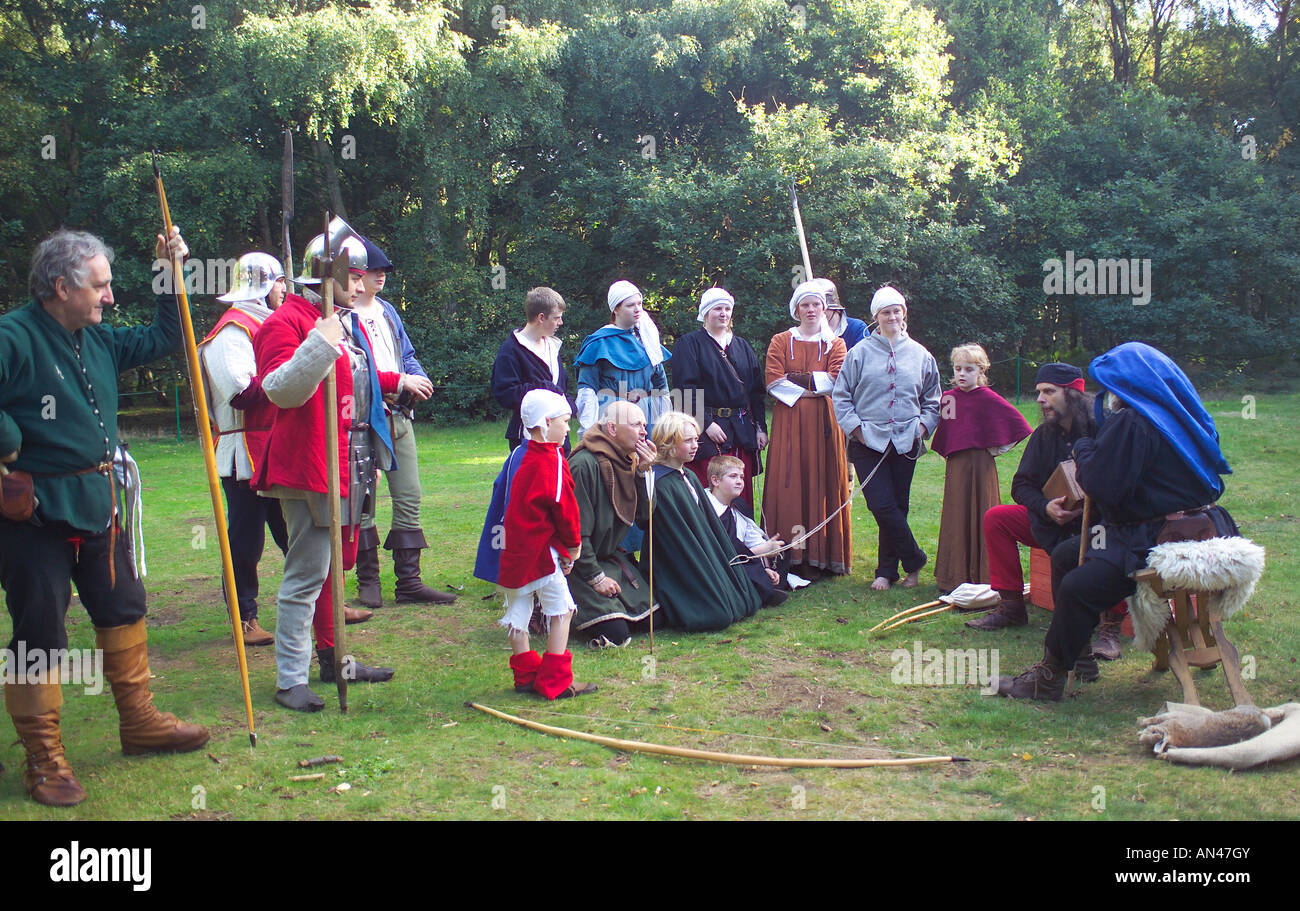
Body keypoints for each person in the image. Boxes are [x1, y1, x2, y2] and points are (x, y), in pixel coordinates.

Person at [0, 226, 209, 806]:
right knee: (40, 630)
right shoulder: (12, 336)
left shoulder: (100, 340)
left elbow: (169, 334)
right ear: (61, 286)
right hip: (32, 516)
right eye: (100, 286)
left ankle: (139, 724)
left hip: (99, 504)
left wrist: (170, 269)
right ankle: (43, 757)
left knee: (123, 608)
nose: (110, 297)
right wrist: (7, 437)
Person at [996, 342, 1233, 701]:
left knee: (1077, 587)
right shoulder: (1180, 415)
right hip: (1202, 528)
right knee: (1064, 555)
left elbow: (1103, 487)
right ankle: (1081, 656)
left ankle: (1049, 677)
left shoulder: (1134, 421)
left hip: (1150, 540)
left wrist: (1085, 449)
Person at [252, 225, 411, 711]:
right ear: (325, 274)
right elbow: (279, 389)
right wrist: (318, 344)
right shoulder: (287, 322)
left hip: (346, 463)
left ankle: (335, 657)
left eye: (363, 277)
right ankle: (289, 677)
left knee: (331, 574)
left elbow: (354, 388)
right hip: (307, 467)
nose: (362, 287)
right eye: (353, 276)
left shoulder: (338, 319)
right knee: (307, 572)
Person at [473, 390, 595, 698]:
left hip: (511, 553)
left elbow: (500, 495)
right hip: (540, 554)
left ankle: (525, 675)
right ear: (544, 423)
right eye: (564, 421)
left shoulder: (516, 455)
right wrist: (572, 547)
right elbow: (565, 510)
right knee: (562, 611)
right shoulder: (552, 461)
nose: (568, 428)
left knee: (518, 611)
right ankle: (554, 681)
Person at [348, 235, 448, 608]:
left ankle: (409, 583)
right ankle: (368, 581)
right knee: (364, 500)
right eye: (373, 270)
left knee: (409, 496)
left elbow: (406, 354)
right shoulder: (344, 315)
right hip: (362, 419)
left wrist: (417, 379)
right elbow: (355, 368)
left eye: (384, 270)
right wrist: (398, 380)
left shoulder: (388, 310)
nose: (380, 276)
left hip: (399, 414)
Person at [197, 251, 290, 646]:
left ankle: (326, 605)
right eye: (280, 282)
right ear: (263, 285)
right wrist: (292, 376)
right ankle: (245, 618)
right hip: (244, 454)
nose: (285, 289)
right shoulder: (232, 331)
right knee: (246, 541)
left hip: (277, 448)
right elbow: (241, 392)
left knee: (297, 533)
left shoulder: (270, 325)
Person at [966, 362, 1095, 631]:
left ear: (1071, 394)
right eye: (1039, 392)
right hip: (1050, 523)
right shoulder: (1043, 435)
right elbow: (1021, 485)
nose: (1040, 400)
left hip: (1097, 527)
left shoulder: (1100, 430)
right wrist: (1046, 506)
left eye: (1049, 392)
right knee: (997, 518)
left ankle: (1109, 626)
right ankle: (1011, 607)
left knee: (1115, 544)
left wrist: (1084, 511)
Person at [833, 285, 941, 590]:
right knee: (880, 505)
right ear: (876, 317)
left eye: (896, 311)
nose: (892, 316)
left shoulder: (920, 354)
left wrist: (922, 427)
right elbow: (841, 396)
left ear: (904, 314)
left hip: (907, 441)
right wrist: (855, 429)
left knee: (898, 506)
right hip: (867, 440)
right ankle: (915, 558)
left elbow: (933, 398)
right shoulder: (859, 353)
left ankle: (886, 571)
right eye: (885, 312)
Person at [763, 281, 852, 579]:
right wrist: (814, 384)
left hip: (825, 423)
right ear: (796, 309)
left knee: (822, 479)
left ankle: (822, 555)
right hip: (789, 422)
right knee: (790, 482)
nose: (811, 310)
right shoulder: (780, 340)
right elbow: (774, 380)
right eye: (805, 305)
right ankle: (792, 554)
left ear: (825, 309)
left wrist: (798, 379)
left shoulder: (836, 343)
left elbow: (837, 380)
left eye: (816, 304)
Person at [642, 413, 762, 629]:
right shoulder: (659, 480)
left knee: (744, 600)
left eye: (696, 439)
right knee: (718, 613)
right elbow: (668, 532)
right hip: (678, 560)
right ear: (669, 442)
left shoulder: (689, 475)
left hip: (703, 550)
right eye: (687, 440)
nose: (695, 445)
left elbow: (708, 523)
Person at [929, 344, 1032, 593]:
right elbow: (950, 430)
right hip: (957, 467)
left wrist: (995, 449)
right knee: (957, 514)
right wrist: (953, 451)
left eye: (969, 369)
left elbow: (1018, 424)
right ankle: (954, 575)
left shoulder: (988, 398)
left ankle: (984, 575)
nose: (962, 374)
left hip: (981, 466)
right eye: (958, 369)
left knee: (984, 513)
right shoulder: (950, 399)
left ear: (981, 371)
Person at [566, 401, 660, 648]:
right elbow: (575, 532)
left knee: (655, 619)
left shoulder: (628, 459)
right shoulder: (584, 464)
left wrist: (643, 472)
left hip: (607, 558)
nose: (644, 431)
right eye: (636, 424)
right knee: (617, 634)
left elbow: (645, 516)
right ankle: (547, 606)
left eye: (644, 424)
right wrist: (596, 578)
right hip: (577, 563)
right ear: (612, 428)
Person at [670, 287, 768, 508]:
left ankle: (742, 541)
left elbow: (756, 391)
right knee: (710, 492)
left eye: (727, 309)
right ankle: (710, 541)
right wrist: (705, 423)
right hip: (709, 433)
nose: (723, 313)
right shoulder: (689, 344)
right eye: (717, 309)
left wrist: (761, 427)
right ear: (705, 313)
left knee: (739, 491)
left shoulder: (742, 346)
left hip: (742, 429)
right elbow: (684, 390)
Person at [574, 280, 671, 435]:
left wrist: (664, 424)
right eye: (630, 305)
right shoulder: (599, 342)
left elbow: (661, 387)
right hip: (612, 415)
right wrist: (589, 429)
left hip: (646, 417)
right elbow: (587, 388)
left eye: (639, 303)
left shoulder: (648, 341)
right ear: (616, 309)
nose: (637, 309)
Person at [491, 286, 571, 453]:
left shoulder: (552, 346)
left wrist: (568, 405)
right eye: (556, 318)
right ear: (541, 317)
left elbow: (562, 387)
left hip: (560, 437)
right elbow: (505, 394)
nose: (560, 323)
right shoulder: (511, 350)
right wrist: (544, 388)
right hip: (528, 438)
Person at [705, 455, 788, 607]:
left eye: (741, 477)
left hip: (743, 558)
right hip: (718, 564)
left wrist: (765, 567)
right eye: (733, 476)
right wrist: (761, 551)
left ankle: (764, 584)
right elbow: (723, 551)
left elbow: (753, 537)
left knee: (782, 550)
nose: (739, 481)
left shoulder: (738, 507)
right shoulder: (705, 506)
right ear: (715, 481)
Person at [817, 278, 868, 351]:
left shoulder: (857, 328)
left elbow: (863, 359)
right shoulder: (808, 333)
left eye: (817, 305)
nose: (815, 311)